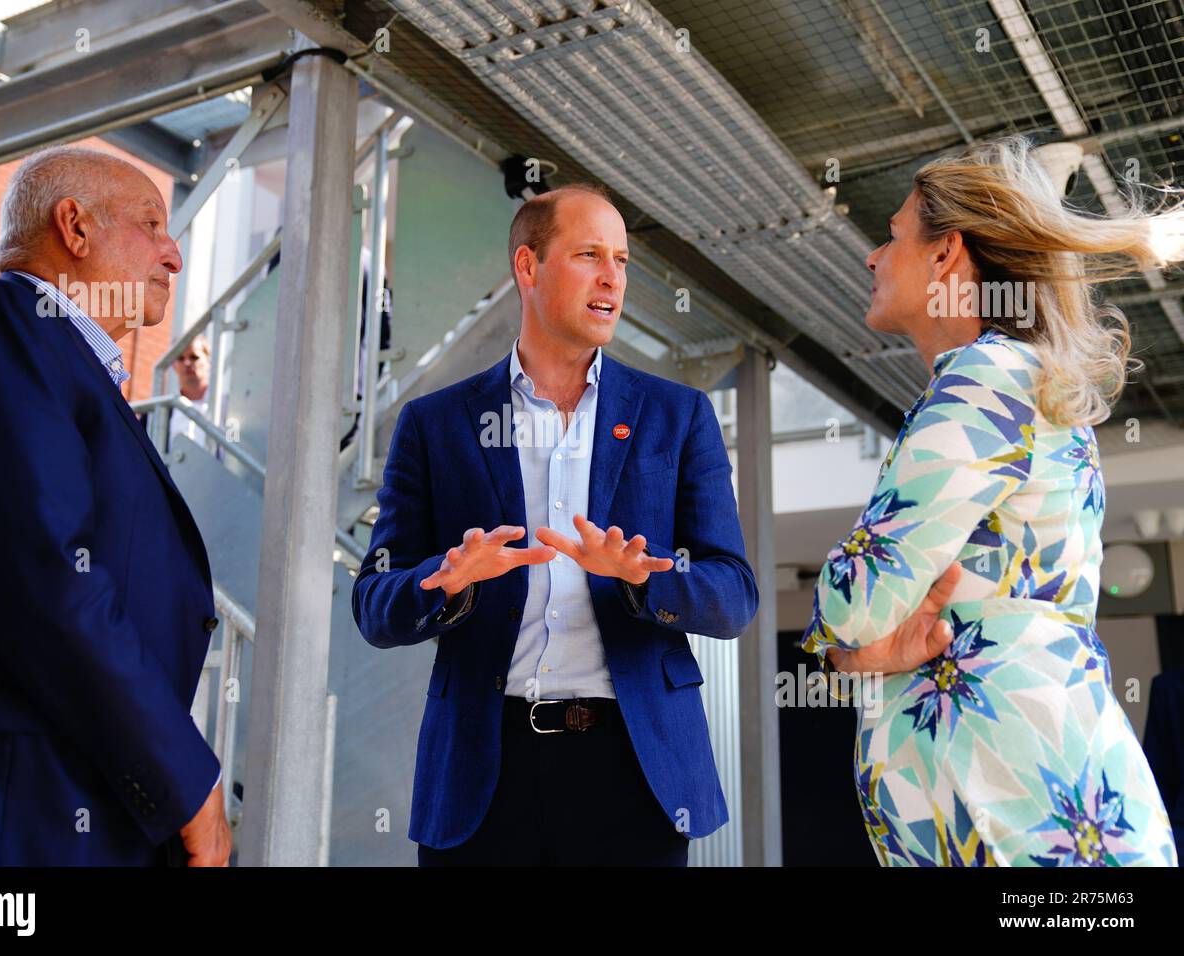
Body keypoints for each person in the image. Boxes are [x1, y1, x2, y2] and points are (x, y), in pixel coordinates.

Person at [351, 183, 759, 866]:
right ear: (528, 267)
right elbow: (373, 603)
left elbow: (734, 594)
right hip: (484, 774)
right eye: (590, 255)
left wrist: (645, 576)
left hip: (634, 772)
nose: (612, 278)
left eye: (622, 261)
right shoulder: (436, 424)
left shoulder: (678, 416)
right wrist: (444, 581)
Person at [802, 135, 1178, 867]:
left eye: (893, 237)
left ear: (947, 256)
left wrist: (851, 645)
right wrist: (856, 652)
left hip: (1027, 820)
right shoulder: (1013, 379)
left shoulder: (988, 376)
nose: (873, 257)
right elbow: (863, 626)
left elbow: (854, 603)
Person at [0, 146, 230, 866]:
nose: (173, 256)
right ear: (74, 226)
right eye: (151, 225)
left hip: (48, 800)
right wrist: (185, 780)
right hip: (7, 811)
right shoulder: (0, 321)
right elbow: (47, 575)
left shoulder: (51, 355)